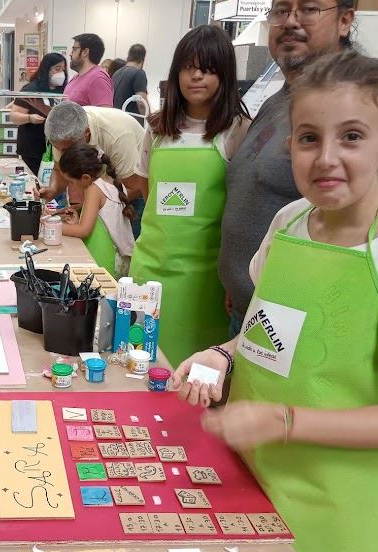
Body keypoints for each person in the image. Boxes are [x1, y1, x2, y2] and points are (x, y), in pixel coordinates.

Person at [174, 51, 378, 552]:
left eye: (352, 137)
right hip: (251, 475)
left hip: (330, 506)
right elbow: (264, 335)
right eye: (308, 138)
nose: (327, 157)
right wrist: (221, 353)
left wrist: (284, 420)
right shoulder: (288, 222)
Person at [219, 0, 356, 336]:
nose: (290, 21)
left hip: (294, 324)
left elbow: (356, 227)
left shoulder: (351, 103)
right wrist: (238, 280)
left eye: (309, 9)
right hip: (250, 309)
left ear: (344, 20)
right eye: (281, 10)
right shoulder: (275, 101)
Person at [129, 25, 250, 368]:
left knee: (193, 376)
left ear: (225, 74)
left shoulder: (239, 131)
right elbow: (146, 189)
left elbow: (242, 207)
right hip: (149, 267)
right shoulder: (156, 128)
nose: (196, 76)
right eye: (188, 66)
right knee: (141, 363)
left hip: (204, 281)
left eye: (208, 68)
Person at [41, 102, 146, 232]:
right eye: (57, 149)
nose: (62, 155)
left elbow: (135, 187)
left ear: (86, 133)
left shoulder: (117, 135)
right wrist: (52, 190)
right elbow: (59, 169)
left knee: (128, 237)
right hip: (107, 194)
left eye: (66, 150)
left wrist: (92, 205)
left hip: (134, 187)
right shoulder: (63, 136)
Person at [57, 143, 135, 278]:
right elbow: (103, 223)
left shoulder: (94, 190)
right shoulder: (110, 182)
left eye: (72, 182)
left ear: (85, 178)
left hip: (106, 260)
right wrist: (76, 222)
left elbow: (83, 231)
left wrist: (48, 226)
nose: (72, 186)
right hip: (121, 262)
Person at [9, 52, 67, 176]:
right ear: (46, 69)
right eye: (57, 68)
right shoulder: (30, 90)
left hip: (58, 147)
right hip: (33, 148)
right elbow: (14, 116)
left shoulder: (64, 90)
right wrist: (29, 118)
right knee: (35, 181)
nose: (61, 72)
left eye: (63, 69)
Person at [64, 33, 113, 107]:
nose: (70, 54)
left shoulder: (98, 78)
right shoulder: (76, 77)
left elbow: (105, 115)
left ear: (85, 52)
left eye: (74, 49)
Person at [112, 44, 147, 120]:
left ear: (128, 57)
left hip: (115, 119)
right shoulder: (139, 73)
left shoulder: (116, 73)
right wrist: (151, 123)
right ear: (143, 60)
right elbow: (142, 104)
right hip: (131, 123)